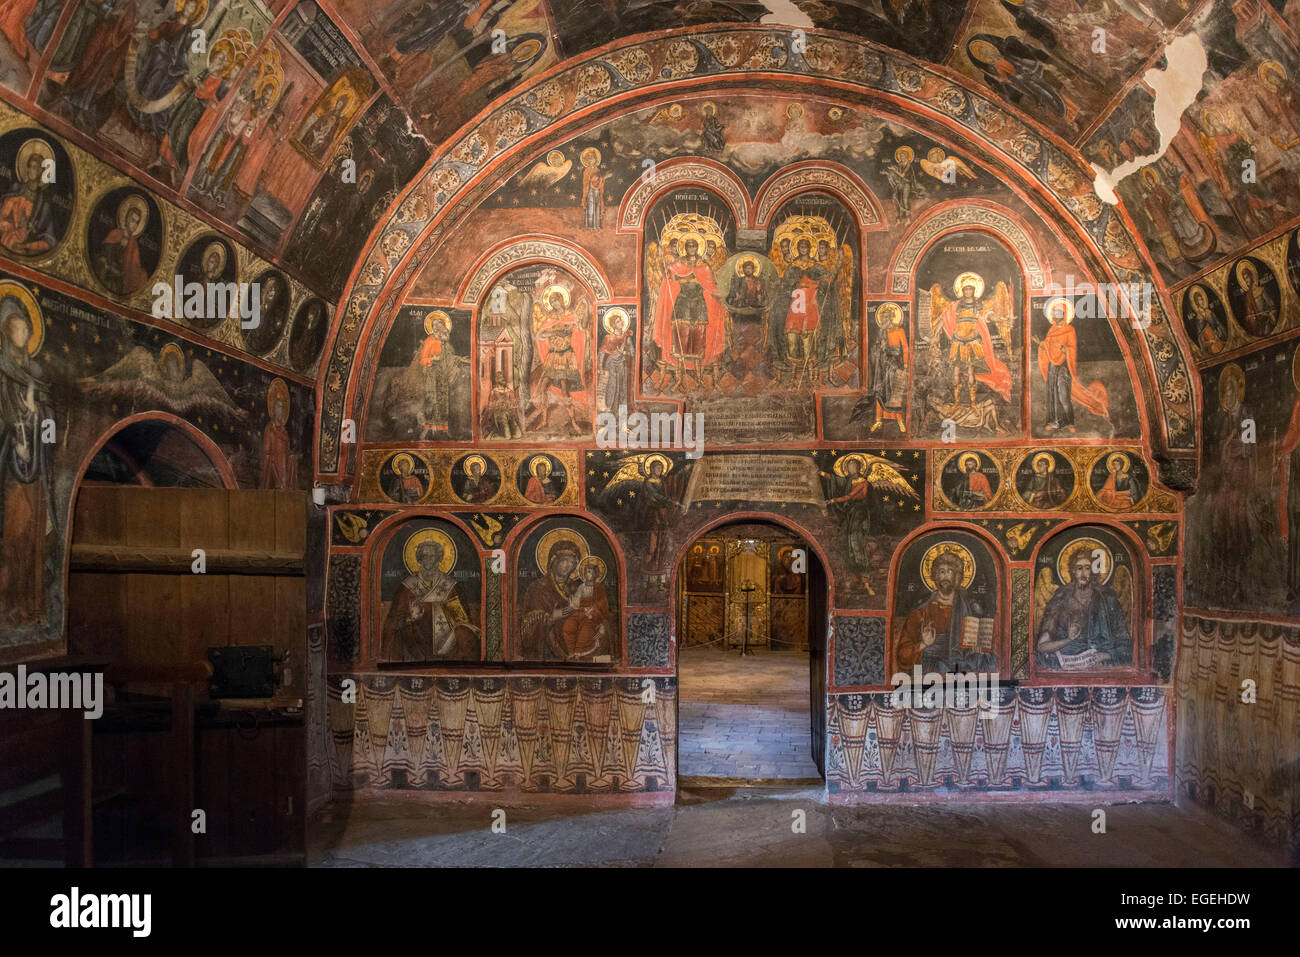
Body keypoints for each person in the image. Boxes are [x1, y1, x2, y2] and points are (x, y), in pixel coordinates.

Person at [0, 296, 53, 625]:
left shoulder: (36, 373)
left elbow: (49, 427)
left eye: (25, 329)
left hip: (35, 468)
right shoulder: (3, 371)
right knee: (13, 533)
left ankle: (31, 604)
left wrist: (36, 412)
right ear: (7, 334)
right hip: (10, 469)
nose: (21, 335)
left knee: (32, 535)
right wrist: (13, 436)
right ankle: (7, 604)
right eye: (15, 330)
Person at [894, 548, 993, 674]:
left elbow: (978, 648)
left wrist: (976, 649)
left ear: (957, 576)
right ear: (935, 576)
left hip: (962, 669)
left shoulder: (970, 610)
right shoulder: (920, 612)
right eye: (941, 571)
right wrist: (924, 644)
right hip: (932, 670)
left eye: (950, 571)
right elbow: (903, 655)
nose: (945, 575)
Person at [380, 539, 478, 661]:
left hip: (446, 639)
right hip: (416, 639)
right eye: (424, 556)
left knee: (465, 635)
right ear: (419, 559)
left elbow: (461, 619)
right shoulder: (407, 587)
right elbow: (394, 620)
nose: (427, 559)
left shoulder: (450, 585)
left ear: (439, 559)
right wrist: (410, 618)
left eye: (432, 556)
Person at [1036, 549, 1132, 669]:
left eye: (1087, 568)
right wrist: (1068, 640)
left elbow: (1125, 642)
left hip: (1100, 663)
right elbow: (1041, 646)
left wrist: (1106, 655)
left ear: (1093, 572)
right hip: (1067, 661)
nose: (1083, 573)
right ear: (1073, 571)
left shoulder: (1108, 601)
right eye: (1079, 568)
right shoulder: (1060, 600)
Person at [653, 237, 726, 392]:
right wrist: (664, 266)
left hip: (699, 305)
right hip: (682, 304)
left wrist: (720, 298)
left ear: (698, 248)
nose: (691, 248)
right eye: (689, 245)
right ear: (685, 248)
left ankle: (699, 377)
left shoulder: (704, 266)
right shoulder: (678, 264)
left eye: (694, 246)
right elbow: (669, 276)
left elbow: (711, 286)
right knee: (680, 340)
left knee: (699, 340)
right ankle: (680, 378)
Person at [519, 539, 582, 660]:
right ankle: (564, 657)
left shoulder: (574, 588)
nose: (568, 565)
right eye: (564, 560)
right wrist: (553, 616)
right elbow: (533, 622)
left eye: (572, 562)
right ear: (554, 561)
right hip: (548, 639)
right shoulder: (538, 587)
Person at [0, 139, 58, 255]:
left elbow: (50, 241)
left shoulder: (43, 206)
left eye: (36, 168)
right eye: (31, 166)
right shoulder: (15, 189)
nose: (33, 170)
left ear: (42, 172)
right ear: (26, 168)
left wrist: (27, 246)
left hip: (21, 250)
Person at [560, 556, 611, 658]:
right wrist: (569, 595)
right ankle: (571, 652)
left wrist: (592, 611)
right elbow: (575, 603)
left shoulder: (599, 588)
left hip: (592, 616)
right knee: (568, 626)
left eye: (591, 572)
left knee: (585, 631)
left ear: (596, 574)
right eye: (587, 572)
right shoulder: (581, 587)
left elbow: (602, 604)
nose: (589, 574)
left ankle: (579, 654)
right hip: (580, 613)